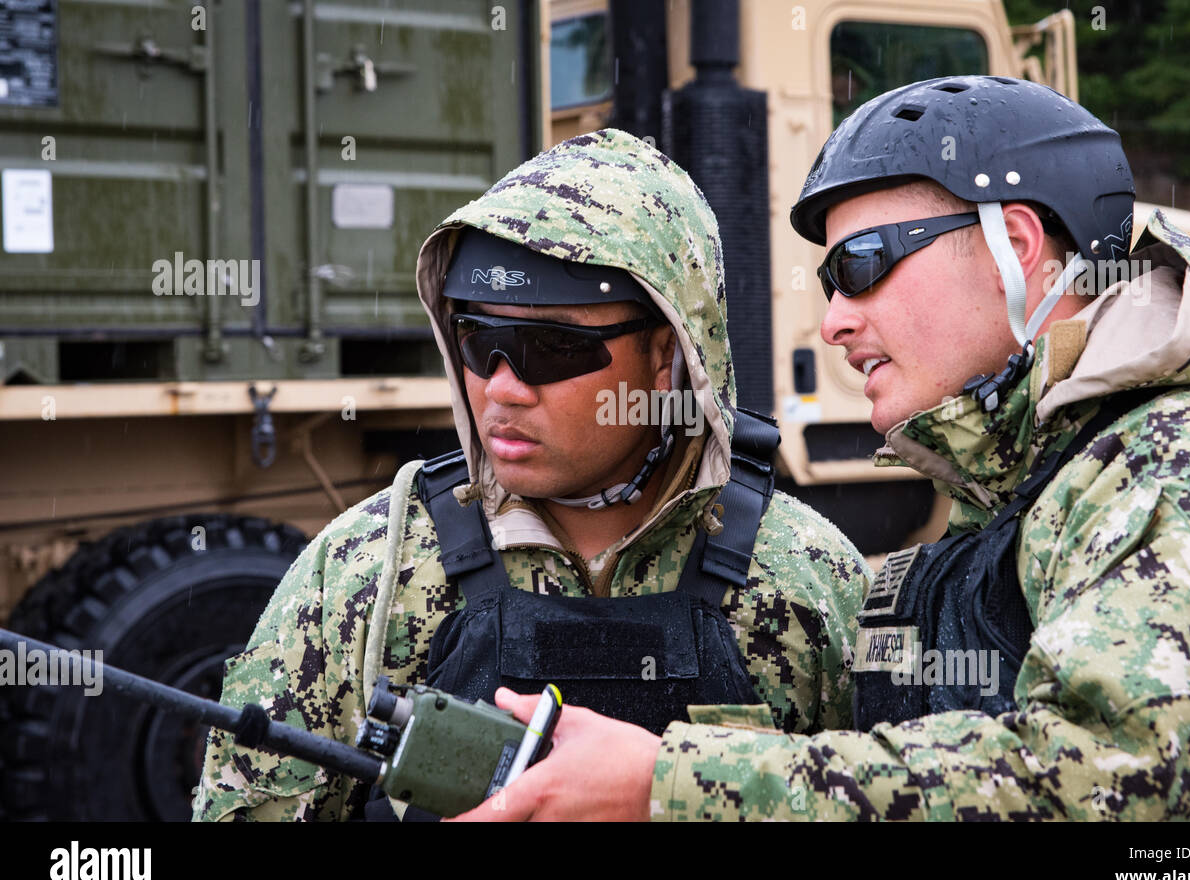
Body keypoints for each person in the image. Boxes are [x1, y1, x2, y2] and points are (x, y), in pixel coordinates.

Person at [453, 75, 1190, 821]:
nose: (834, 320)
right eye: (828, 282)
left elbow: (1125, 790)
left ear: (1020, 244)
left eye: (862, 265)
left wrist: (670, 785)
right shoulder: (1045, 481)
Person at [191, 129, 870, 821]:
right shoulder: (369, 572)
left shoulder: (803, 581)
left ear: (667, 354)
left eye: (550, 347)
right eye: (478, 343)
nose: (503, 387)